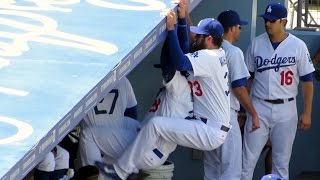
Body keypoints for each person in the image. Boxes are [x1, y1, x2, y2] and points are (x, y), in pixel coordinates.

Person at [95, 4, 230, 180]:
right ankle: (125, 170)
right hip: (207, 125)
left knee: (156, 124)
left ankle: (121, 172)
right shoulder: (214, 53)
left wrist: (171, 29)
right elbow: (186, 49)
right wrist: (182, 19)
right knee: (155, 125)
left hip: (210, 130)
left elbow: (180, 61)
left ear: (210, 39)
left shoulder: (210, 57)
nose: (195, 37)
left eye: (199, 35)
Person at [242, 3, 314, 180]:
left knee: (281, 163)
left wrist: (307, 112)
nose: (268, 23)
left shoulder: (298, 46)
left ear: (284, 21)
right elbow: (248, 79)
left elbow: (307, 82)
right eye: (266, 20)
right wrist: (243, 109)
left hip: (286, 108)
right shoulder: (256, 43)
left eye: (272, 20)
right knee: (246, 161)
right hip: (258, 106)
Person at [202, 10, 260, 180]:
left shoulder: (207, 49)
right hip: (227, 117)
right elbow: (239, 89)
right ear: (233, 28)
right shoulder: (234, 52)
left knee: (211, 171)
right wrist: (253, 113)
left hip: (207, 116)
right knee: (231, 172)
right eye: (239, 27)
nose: (240, 30)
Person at [77, 76, 140, 167]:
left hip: (91, 143)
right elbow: (132, 113)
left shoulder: (82, 82)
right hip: (116, 142)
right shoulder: (123, 79)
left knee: (90, 175)